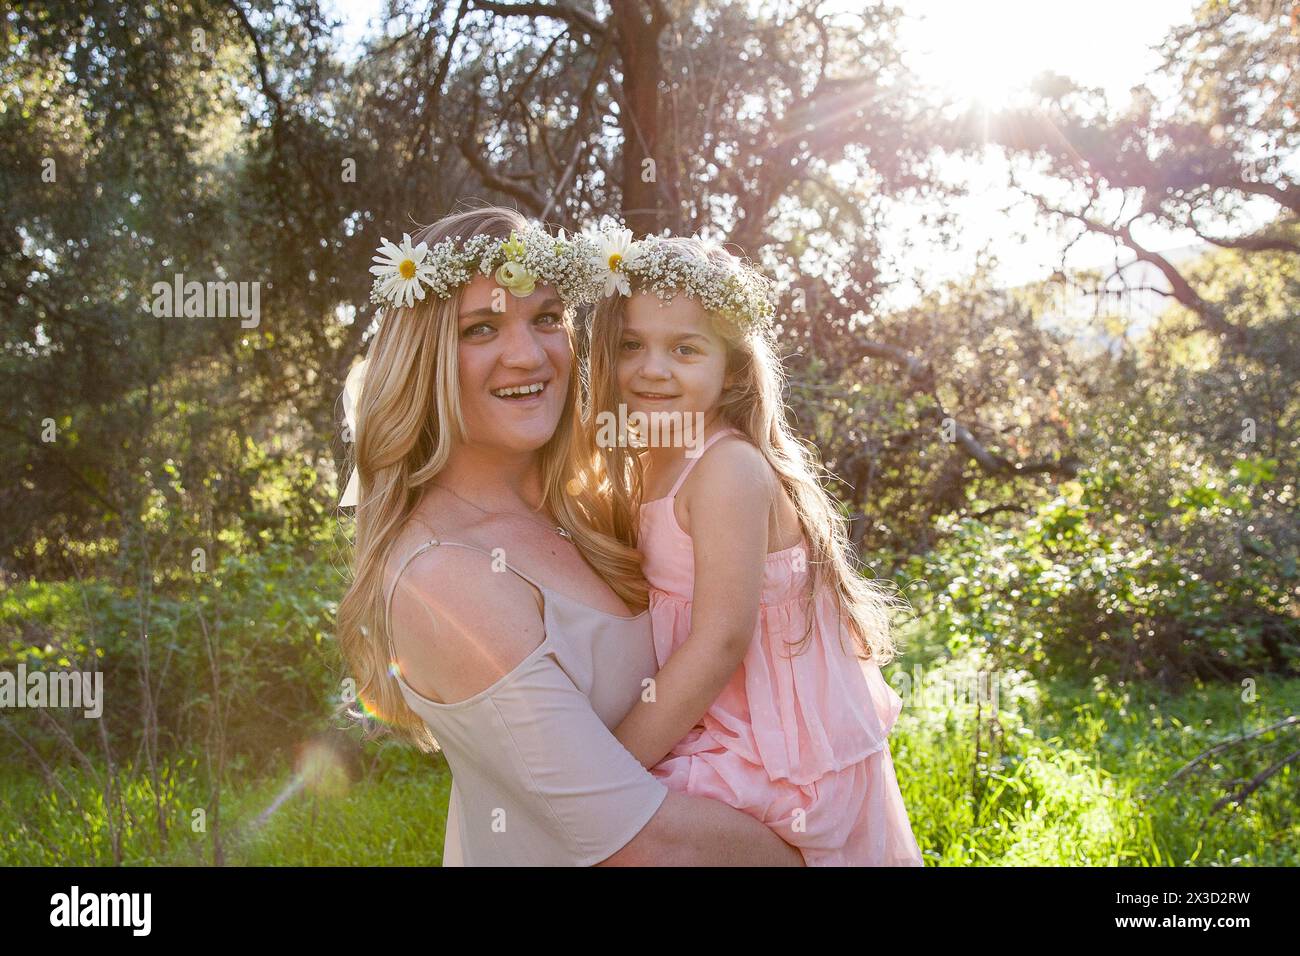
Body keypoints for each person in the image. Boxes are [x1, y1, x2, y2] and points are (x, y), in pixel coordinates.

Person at [335, 206, 804, 866]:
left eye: (548, 318)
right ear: (424, 358)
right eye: (482, 328)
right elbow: (639, 842)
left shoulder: (595, 511)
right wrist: (818, 851)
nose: (528, 354)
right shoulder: (446, 578)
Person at [585, 232, 925, 865]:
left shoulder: (726, 470)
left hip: (769, 749)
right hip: (705, 721)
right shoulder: (645, 460)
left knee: (614, 832)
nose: (651, 369)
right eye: (632, 345)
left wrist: (616, 765)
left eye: (685, 349)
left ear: (732, 367)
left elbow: (720, 641)